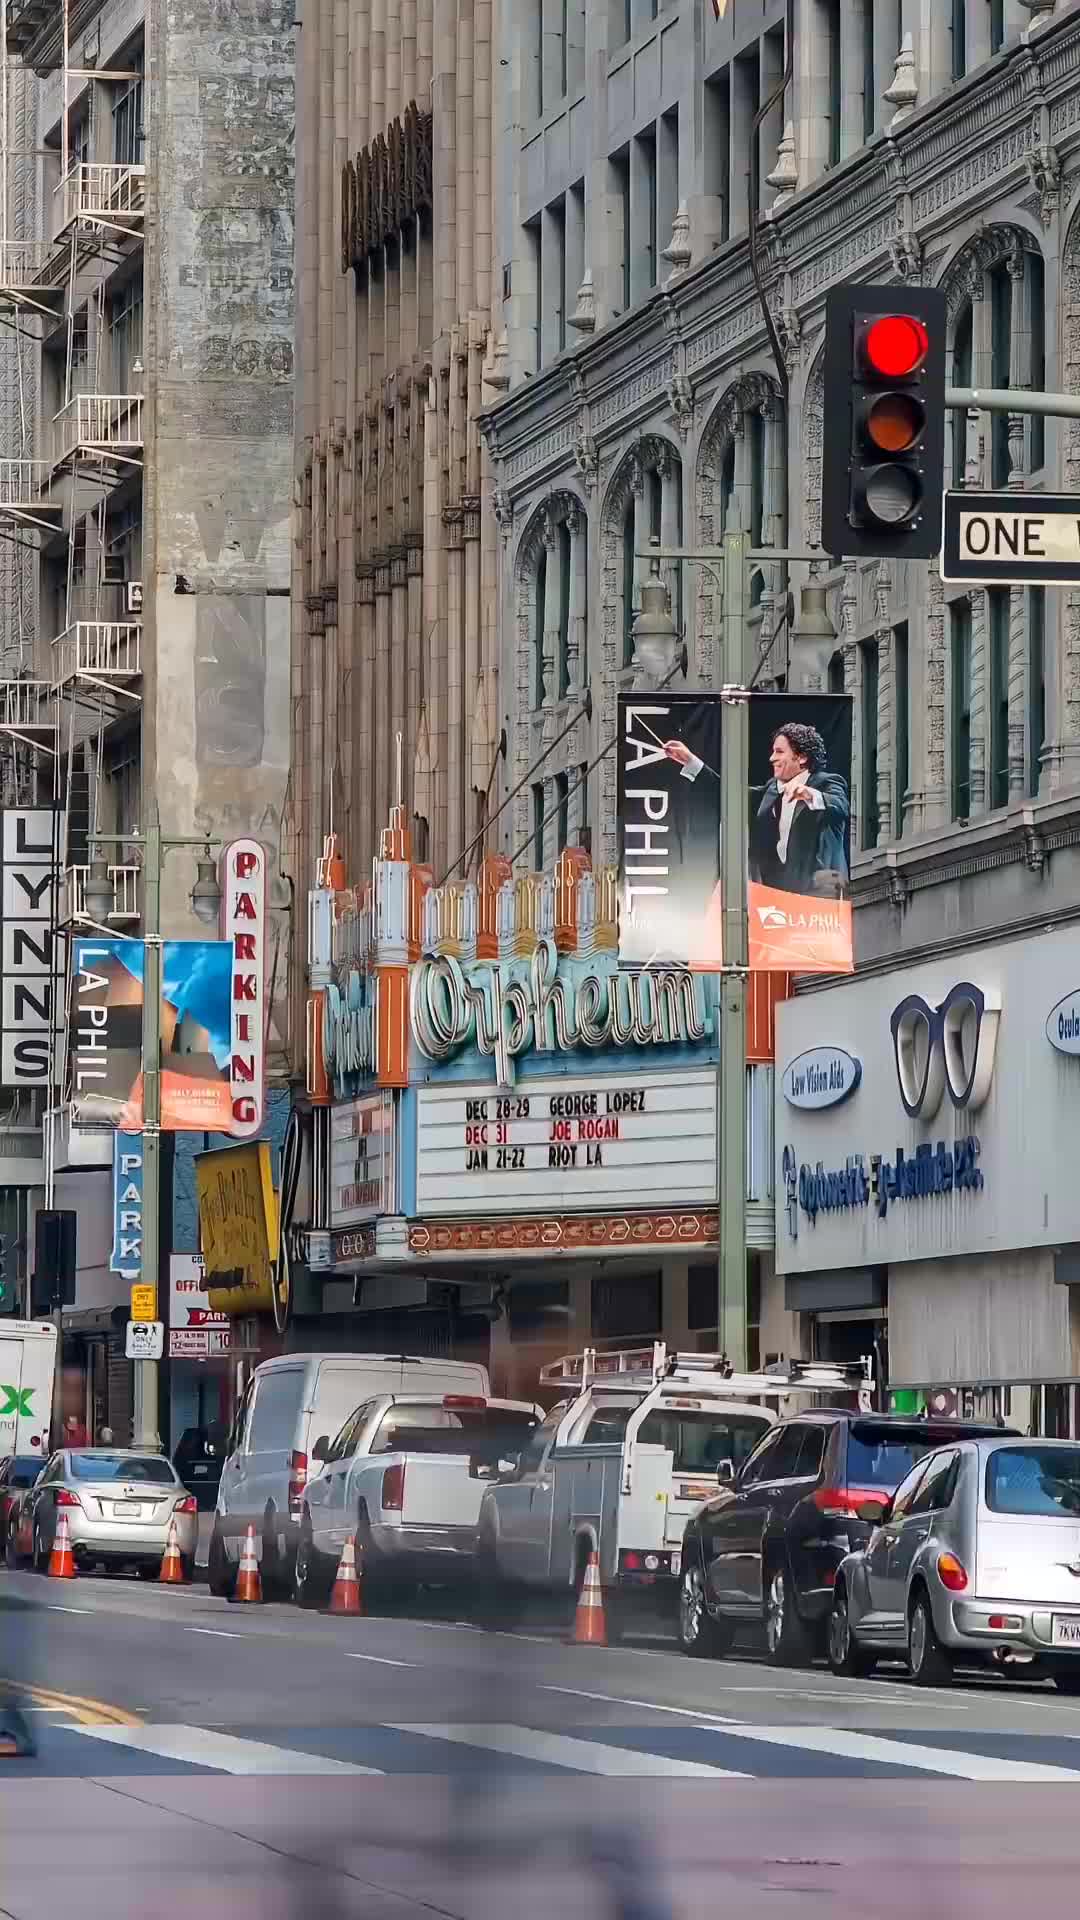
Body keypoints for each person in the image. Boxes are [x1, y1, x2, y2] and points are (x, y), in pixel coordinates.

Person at [748, 722, 849, 898]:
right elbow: (730, 792)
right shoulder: (771, 789)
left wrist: (809, 794)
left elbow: (841, 806)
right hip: (777, 897)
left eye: (779, 752)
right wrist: (693, 764)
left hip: (821, 895)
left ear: (802, 757)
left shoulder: (828, 782)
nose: (772, 758)